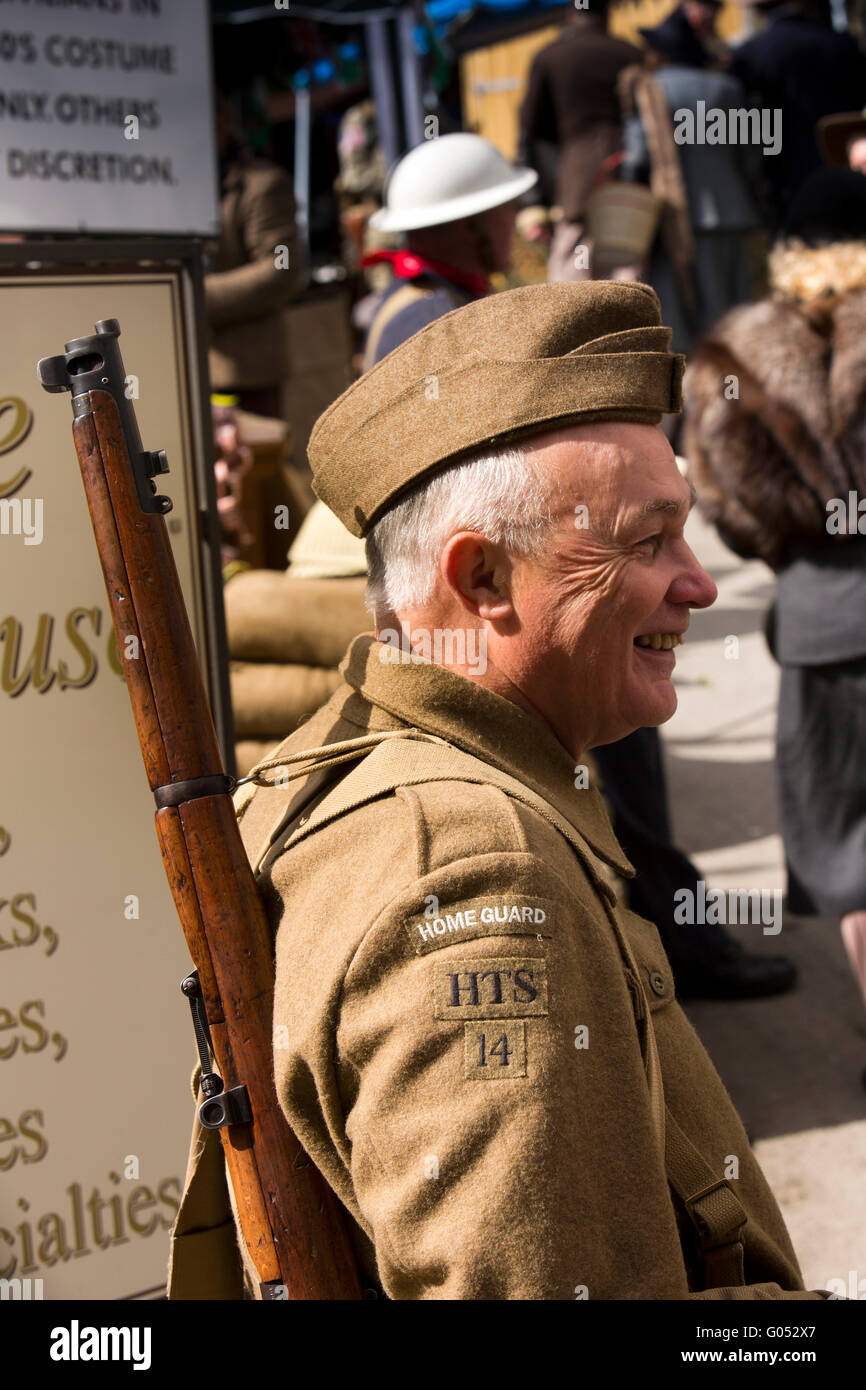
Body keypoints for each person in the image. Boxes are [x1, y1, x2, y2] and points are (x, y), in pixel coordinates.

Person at [169, 281, 829, 1300]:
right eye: (644, 540)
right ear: (479, 578)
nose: (697, 584)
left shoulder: (342, 774)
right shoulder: (479, 879)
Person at [683, 167, 866, 1057]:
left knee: (853, 849)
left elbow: (729, 503)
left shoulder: (741, 351)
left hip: (825, 621)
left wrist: (798, 554)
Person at [619, 5, 763, 358]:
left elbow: (637, 159)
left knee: (683, 322)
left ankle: (691, 404)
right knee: (733, 322)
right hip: (732, 214)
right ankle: (734, 396)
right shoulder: (728, 88)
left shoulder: (650, 90)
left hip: (674, 219)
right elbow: (752, 157)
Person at [358, 132, 536, 369]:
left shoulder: (426, 300)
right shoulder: (434, 321)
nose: (513, 220)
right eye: (507, 208)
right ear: (470, 226)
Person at [518, 2, 640, 282]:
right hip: (631, 189)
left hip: (575, 188)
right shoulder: (631, 54)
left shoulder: (551, 56)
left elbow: (530, 135)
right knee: (629, 285)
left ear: (571, 13)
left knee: (573, 292)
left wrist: (532, 204)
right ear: (609, 12)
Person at [204, 94, 305, 418]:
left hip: (240, 372)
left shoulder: (261, 185)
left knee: (253, 463)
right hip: (180, 368)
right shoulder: (171, 187)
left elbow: (281, 269)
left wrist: (189, 296)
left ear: (222, 123)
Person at [730, 0, 866, 227]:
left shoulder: (751, 54)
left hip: (785, 181)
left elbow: (749, 127)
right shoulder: (844, 45)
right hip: (846, 168)